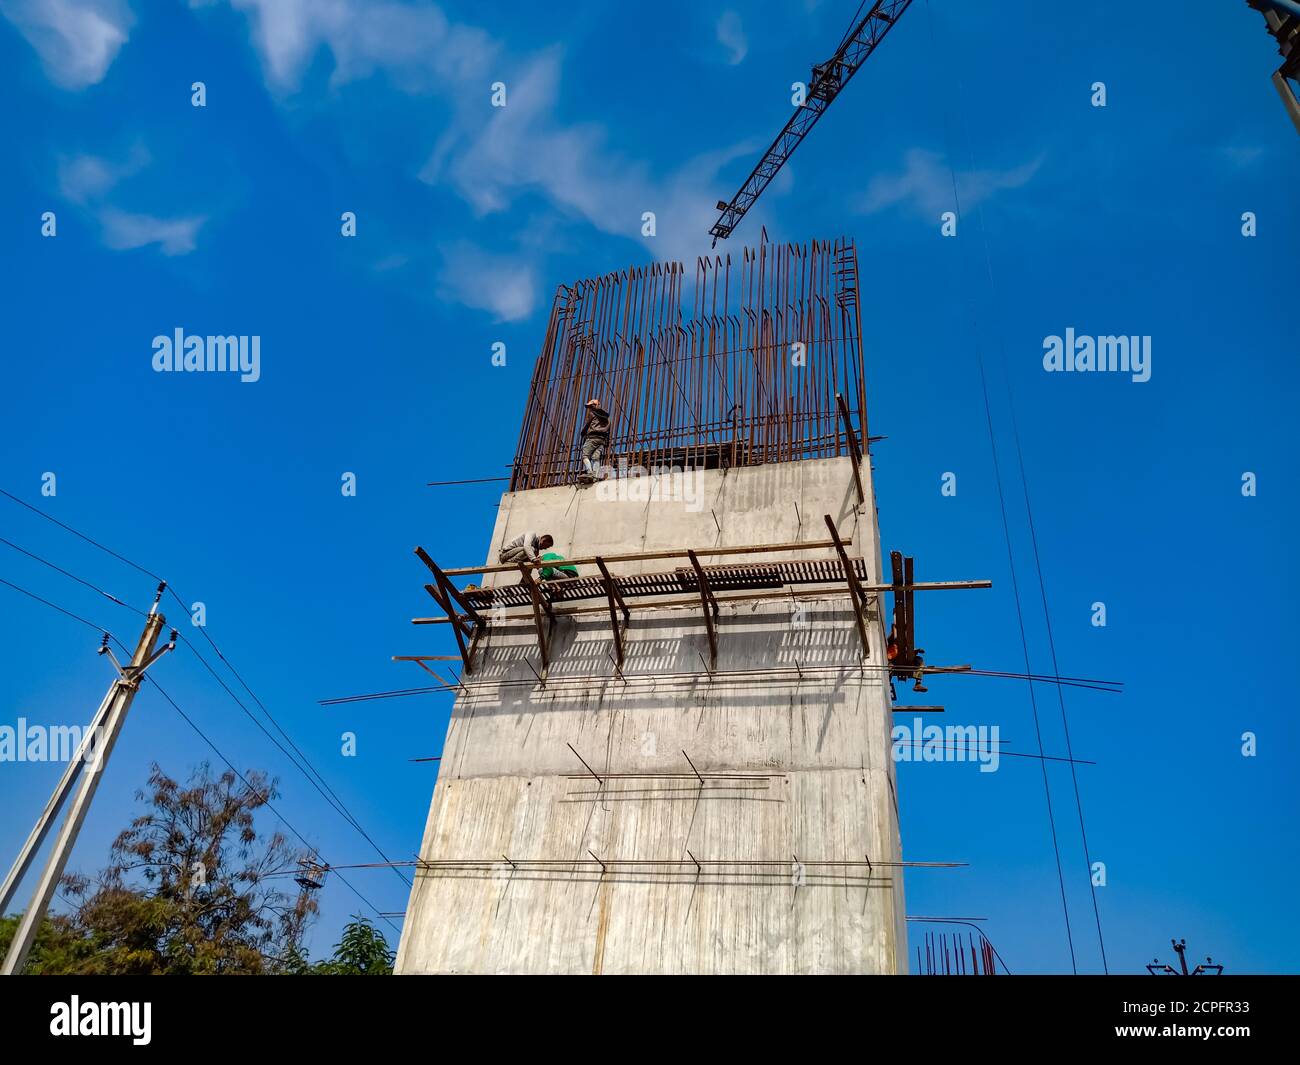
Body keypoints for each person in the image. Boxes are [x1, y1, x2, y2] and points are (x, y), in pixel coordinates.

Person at [578, 397, 611, 483]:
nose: (590, 408)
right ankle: (596, 476)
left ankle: (590, 473)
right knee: (596, 458)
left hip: (592, 437)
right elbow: (608, 430)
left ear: (595, 405)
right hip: (602, 440)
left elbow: (587, 425)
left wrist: (582, 433)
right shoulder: (607, 418)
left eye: (591, 406)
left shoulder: (593, 414)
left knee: (585, 455)